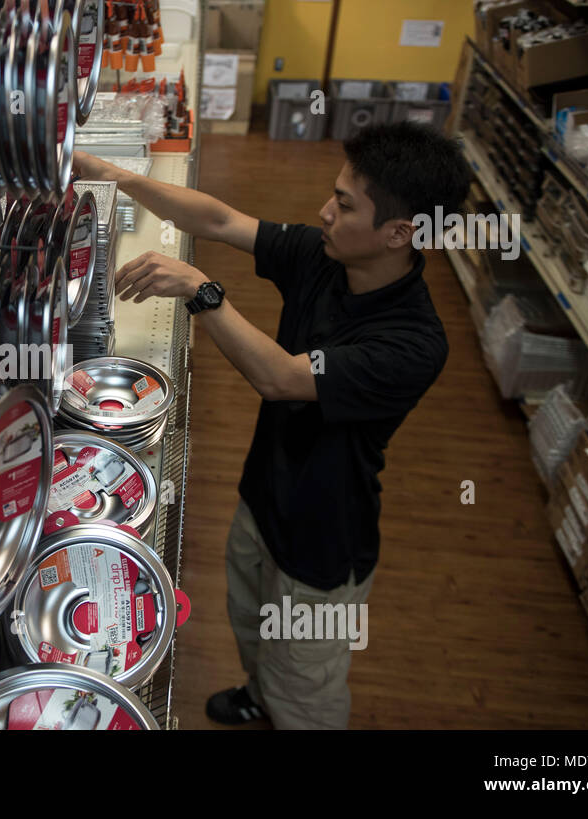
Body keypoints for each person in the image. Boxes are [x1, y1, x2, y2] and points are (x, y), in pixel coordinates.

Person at [71, 122, 471, 729]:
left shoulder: (413, 343)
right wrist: (117, 176)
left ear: (401, 233)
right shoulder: (327, 258)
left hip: (322, 544)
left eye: (344, 203)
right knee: (253, 623)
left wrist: (203, 293)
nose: (324, 212)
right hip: (265, 498)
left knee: (306, 687)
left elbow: (284, 378)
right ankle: (261, 695)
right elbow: (222, 221)